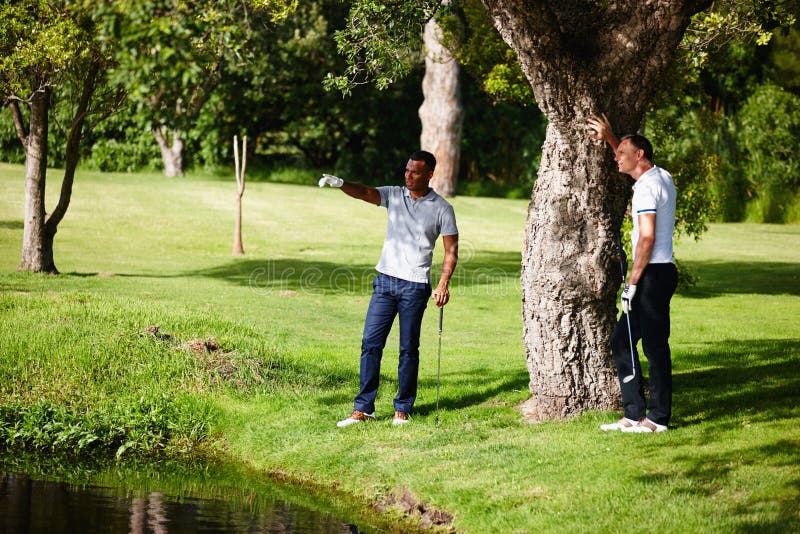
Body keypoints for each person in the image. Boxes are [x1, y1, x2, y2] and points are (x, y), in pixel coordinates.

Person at [318, 151, 459, 427]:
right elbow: (365, 192)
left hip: (415, 285)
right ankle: (363, 409)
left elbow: (451, 251)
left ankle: (402, 409)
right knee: (370, 344)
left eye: (415, 172)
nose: (408, 176)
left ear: (429, 175)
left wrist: (443, 284)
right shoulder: (395, 195)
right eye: (406, 170)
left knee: (408, 349)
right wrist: (341, 184)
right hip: (385, 282)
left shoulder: (442, 208)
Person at [588, 113, 678, 433]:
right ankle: (633, 413)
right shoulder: (659, 176)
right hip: (656, 273)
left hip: (651, 275)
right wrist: (612, 136)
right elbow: (631, 160)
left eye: (621, 154)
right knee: (622, 341)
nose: (616, 158)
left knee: (654, 348)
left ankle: (657, 419)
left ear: (639, 155)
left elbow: (648, 237)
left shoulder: (645, 190)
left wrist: (632, 283)